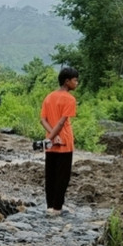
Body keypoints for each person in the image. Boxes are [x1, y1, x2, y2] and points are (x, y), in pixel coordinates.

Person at [41, 67, 79, 216]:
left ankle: (50, 206)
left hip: (51, 144)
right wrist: (52, 136)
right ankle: (57, 209)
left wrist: (49, 137)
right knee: (62, 177)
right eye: (75, 80)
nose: (77, 83)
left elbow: (42, 120)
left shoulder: (49, 97)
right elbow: (62, 122)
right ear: (67, 81)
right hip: (64, 143)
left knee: (50, 175)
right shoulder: (69, 99)